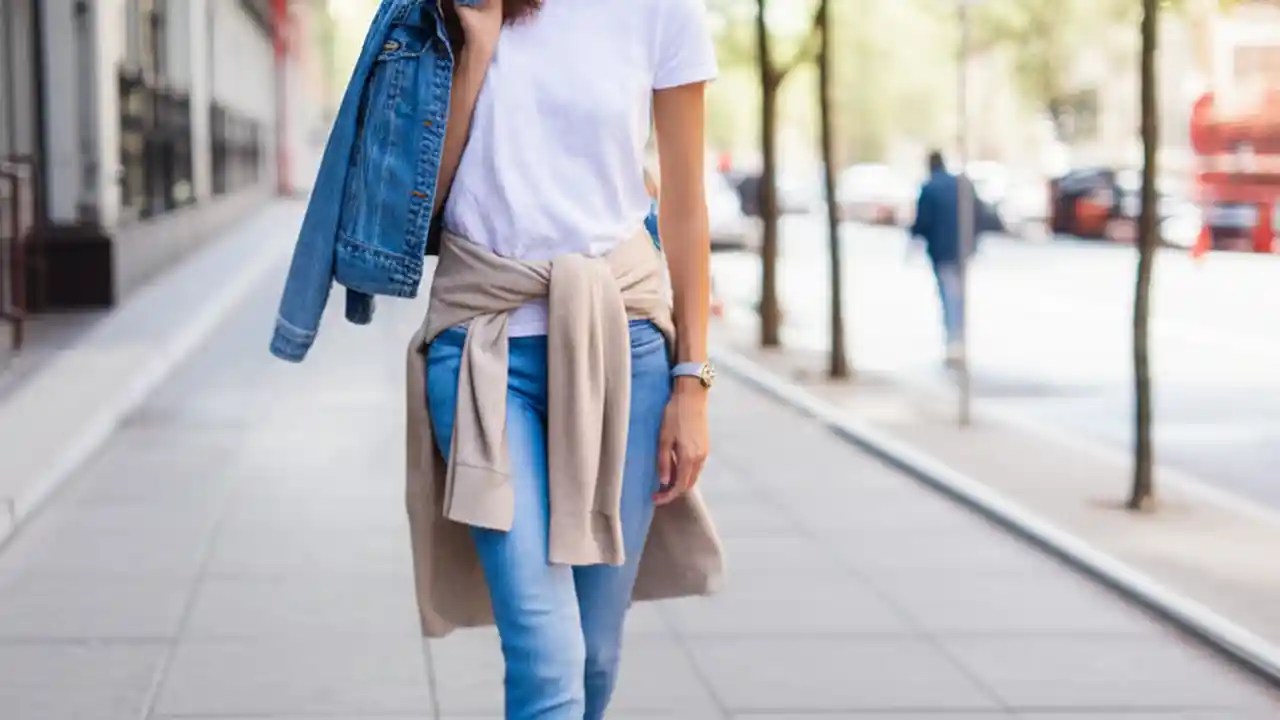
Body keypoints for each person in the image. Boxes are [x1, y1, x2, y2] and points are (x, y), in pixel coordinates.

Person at [419, 2, 724, 719]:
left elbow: (685, 205)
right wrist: (478, 47)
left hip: (628, 347)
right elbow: (414, 198)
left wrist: (693, 382)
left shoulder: (662, 10)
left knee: (594, 655)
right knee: (547, 654)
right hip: (483, 344)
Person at [909, 150, 977, 366]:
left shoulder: (930, 188)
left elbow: (922, 222)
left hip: (941, 252)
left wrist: (912, 244)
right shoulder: (960, 185)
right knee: (958, 296)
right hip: (962, 249)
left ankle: (954, 342)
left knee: (949, 297)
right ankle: (958, 339)